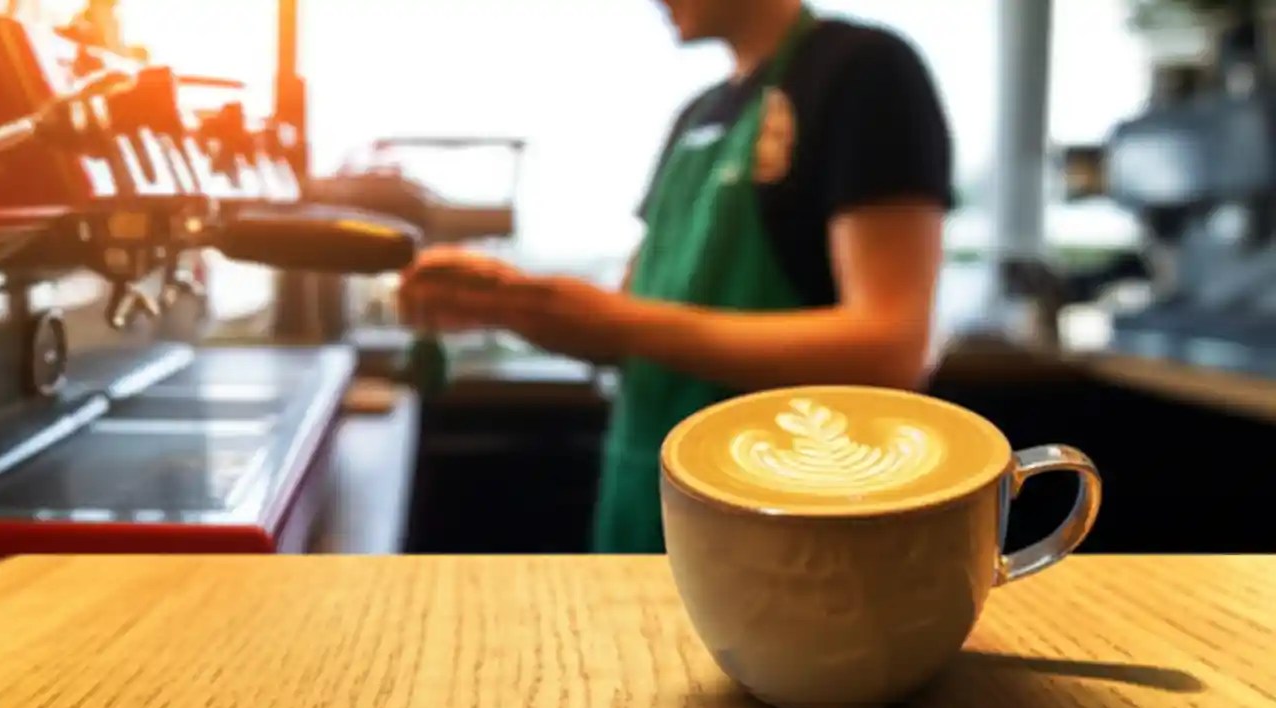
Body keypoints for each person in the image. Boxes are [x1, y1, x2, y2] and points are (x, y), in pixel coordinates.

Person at [401, 0, 954, 553]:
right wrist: (510, 302)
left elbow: (890, 344)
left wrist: (617, 323)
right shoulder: (698, 116)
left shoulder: (864, 72)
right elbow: (632, 317)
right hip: (644, 516)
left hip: (784, 543)